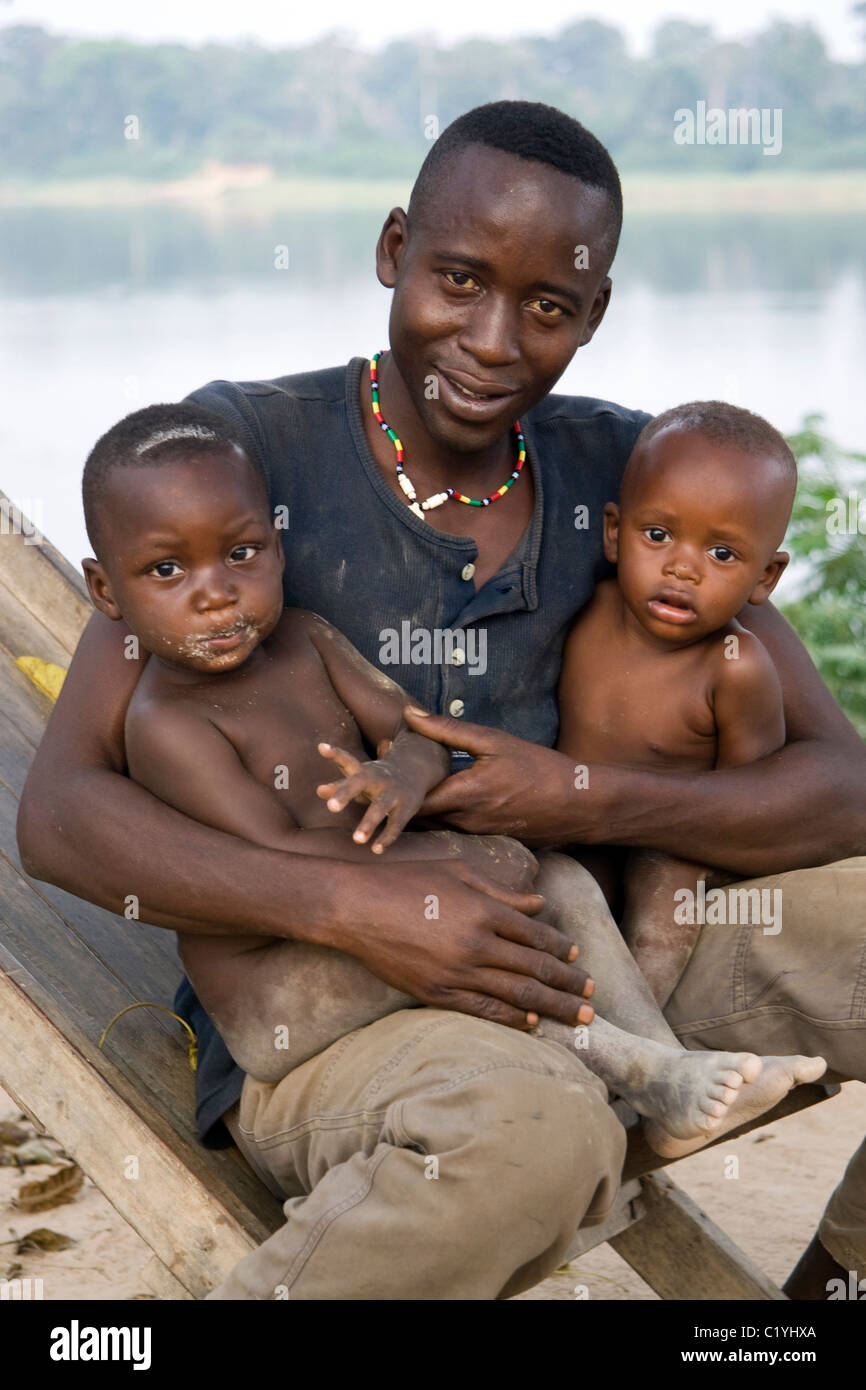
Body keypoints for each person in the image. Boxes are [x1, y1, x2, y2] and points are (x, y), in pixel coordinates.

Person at [17, 100, 866, 1300]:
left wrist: (575, 799)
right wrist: (359, 902)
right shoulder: (234, 458)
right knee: (535, 1137)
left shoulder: (629, 482)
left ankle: (829, 1296)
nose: (490, 338)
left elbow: (841, 789)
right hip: (335, 1009)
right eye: (456, 279)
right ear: (390, 251)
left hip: (622, 952)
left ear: (593, 313)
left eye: (546, 307)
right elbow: (61, 818)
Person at [78, 398, 825, 1164]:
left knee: (558, 877)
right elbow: (278, 864)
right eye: (168, 571)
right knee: (486, 917)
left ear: (276, 543)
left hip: (386, 905)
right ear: (107, 594)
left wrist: (403, 771)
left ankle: (666, 1063)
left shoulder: (305, 637)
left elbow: (416, 728)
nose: (216, 592)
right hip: (284, 980)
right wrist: (448, 869)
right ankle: (634, 1066)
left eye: (240, 554)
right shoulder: (165, 725)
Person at [556, 398, 796, 1007]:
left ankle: (648, 1030)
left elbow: (747, 808)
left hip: (672, 843)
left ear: (765, 578)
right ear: (615, 533)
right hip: (568, 831)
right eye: (658, 535)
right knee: (547, 882)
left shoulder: (736, 669)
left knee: (670, 883)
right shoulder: (588, 609)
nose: (682, 568)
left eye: (722, 555)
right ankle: (576, 1032)